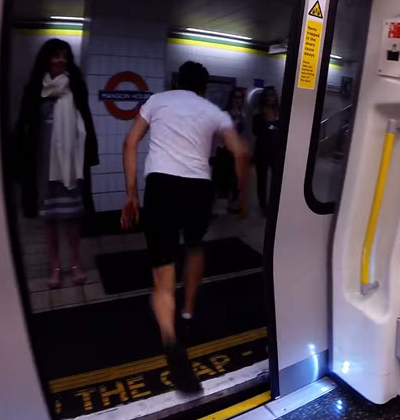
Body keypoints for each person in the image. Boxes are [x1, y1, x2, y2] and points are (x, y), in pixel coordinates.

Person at [120, 61, 248, 392]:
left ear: (177, 81)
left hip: (161, 187)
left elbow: (129, 143)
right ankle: (189, 313)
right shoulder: (212, 110)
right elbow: (240, 154)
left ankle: (171, 339)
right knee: (194, 246)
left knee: (163, 274)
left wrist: (132, 197)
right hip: (197, 188)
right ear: (204, 87)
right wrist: (243, 199)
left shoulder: (156, 101)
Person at [14, 39, 99, 288]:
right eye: (56, 56)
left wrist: (91, 154)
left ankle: (75, 264)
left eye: (65, 56)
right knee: (49, 218)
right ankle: (55, 267)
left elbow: (87, 119)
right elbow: (23, 126)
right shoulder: (33, 89)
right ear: (46, 59)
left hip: (70, 162)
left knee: (72, 216)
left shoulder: (76, 86)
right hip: (42, 163)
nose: (61, 60)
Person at [212, 88, 248, 214]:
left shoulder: (242, 115)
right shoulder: (224, 114)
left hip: (235, 152)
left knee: (234, 179)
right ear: (231, 99)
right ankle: (213, 206)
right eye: (235, 97)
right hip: (223, 151)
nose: (237, 100)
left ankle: (231, 203)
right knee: (218, 179)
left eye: (240, 98)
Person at [253, 87, 281, 215]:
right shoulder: (258, 113)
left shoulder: (279, 112)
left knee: (277, 177)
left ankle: (274, 203)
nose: (270, 98)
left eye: (272, 95)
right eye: (268, 96)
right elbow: (255, 131)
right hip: (262, 149)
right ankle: (263, 205)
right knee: (262, 179)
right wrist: (268, 124)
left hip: (276, 149)